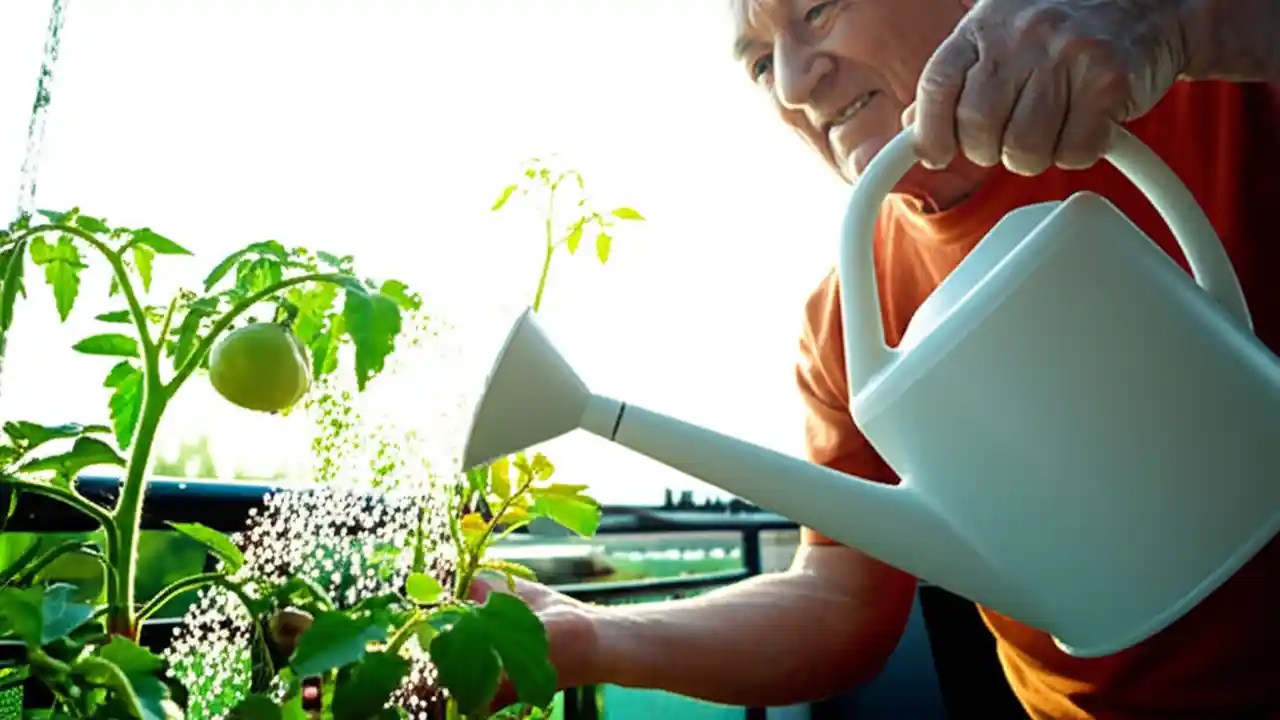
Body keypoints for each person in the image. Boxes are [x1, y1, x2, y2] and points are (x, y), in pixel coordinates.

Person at [471, 1, 1280, 717]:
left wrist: (1175, 23)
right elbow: (838, 599)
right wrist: (590, 634)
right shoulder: (849, 326)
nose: (788, 82)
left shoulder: (1184, 72)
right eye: (759, 62)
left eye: (818, 10)